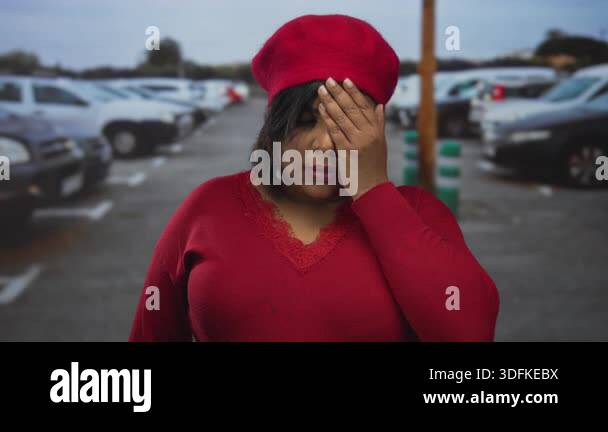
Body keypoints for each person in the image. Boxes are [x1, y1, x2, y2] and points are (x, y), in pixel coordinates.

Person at [129, 14, 499, 342]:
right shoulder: (207, 209)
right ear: (274, 125)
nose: (324, 144)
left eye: (347, 124)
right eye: (305, 121)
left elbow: (469, 333)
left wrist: (372, 190)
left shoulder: (418, 214)